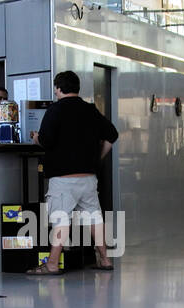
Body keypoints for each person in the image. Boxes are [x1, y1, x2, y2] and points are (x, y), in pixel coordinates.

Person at [29, 70, 119, 275]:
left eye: (55, 89)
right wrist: (97, 160)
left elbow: (46, 140)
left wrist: (36, 138)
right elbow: (112, 136)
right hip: (88, 178)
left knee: (61, 219)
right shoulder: (90, 110)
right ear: (77, 88)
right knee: (94, 218)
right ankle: (105, 260)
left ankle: (52, 264)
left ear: (58, 89)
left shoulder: (55, 110)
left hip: (63, 179)